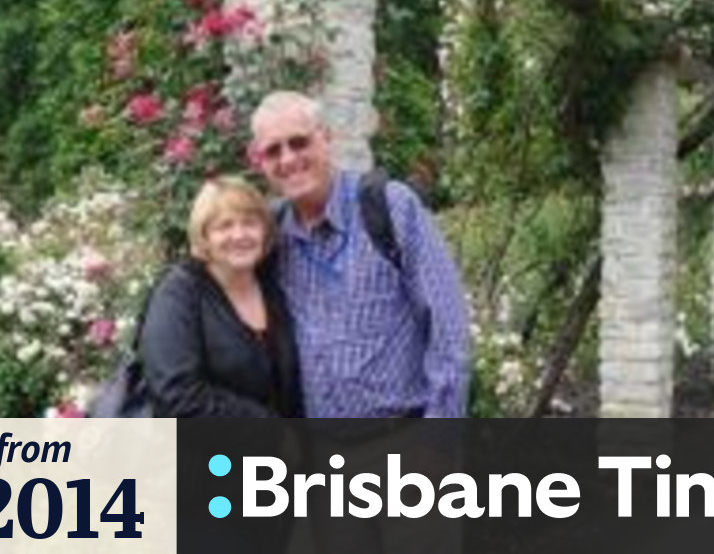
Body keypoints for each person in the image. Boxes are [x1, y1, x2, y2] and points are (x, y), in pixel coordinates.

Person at [249, 91, 469, 553]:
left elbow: (447, 328)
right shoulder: (269, 238)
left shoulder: (389, 207)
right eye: (274, 150)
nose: (288, 159)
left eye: (299, 142)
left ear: (325, 139)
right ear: (259, 161)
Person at [139, 176, 303, 418]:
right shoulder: (179, 293)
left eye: (250, 223)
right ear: (204, 236)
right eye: (224, 226)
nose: (239, 235)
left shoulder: (272, 284)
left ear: (265, 230)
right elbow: (176, 394)